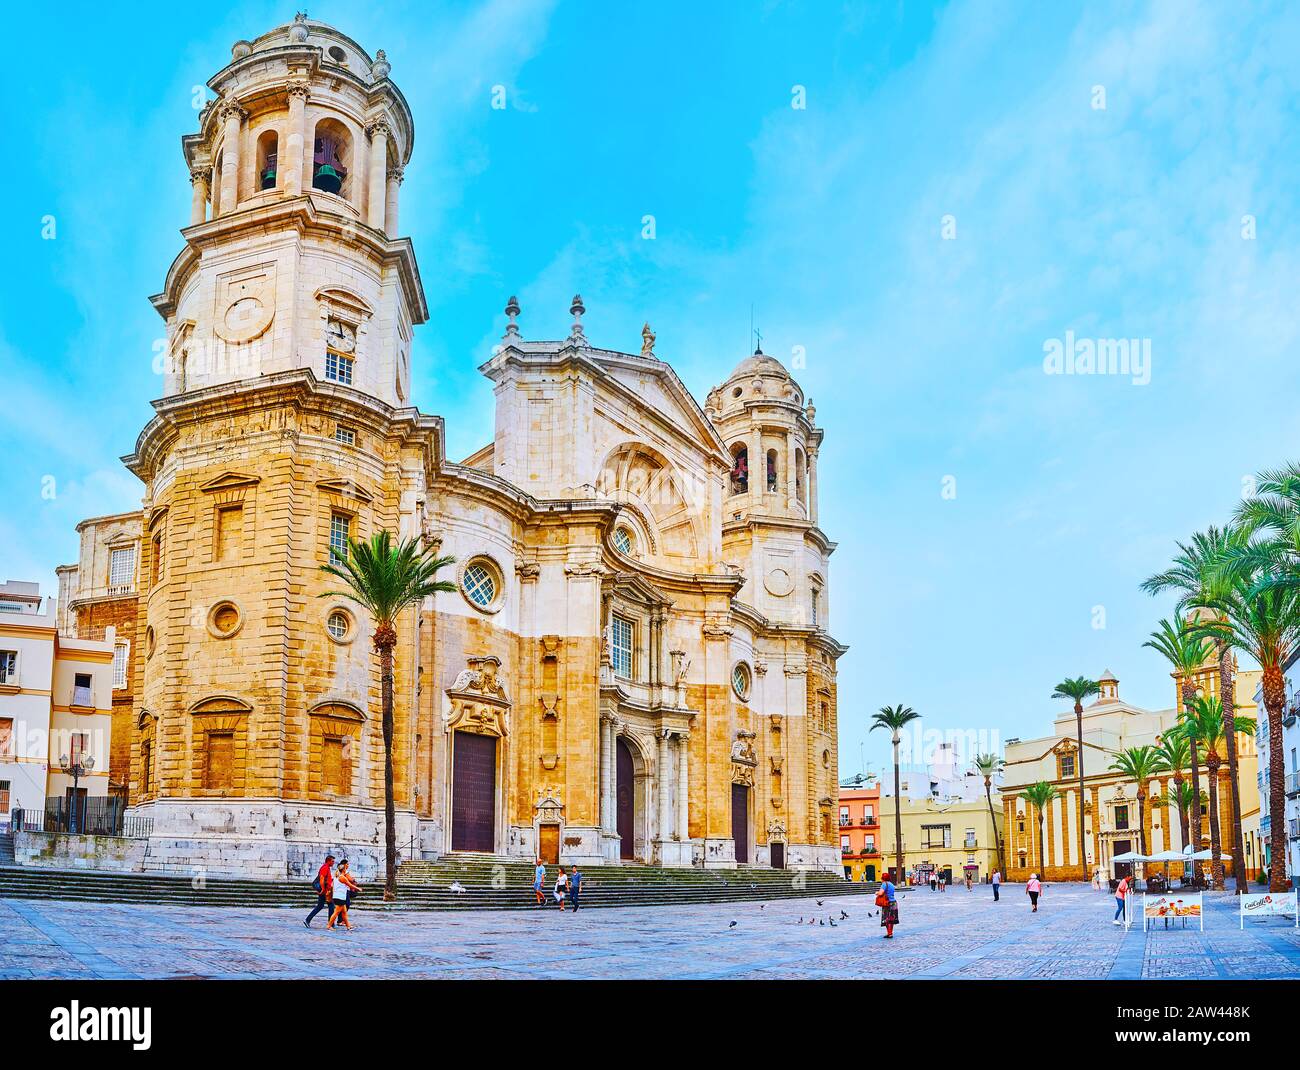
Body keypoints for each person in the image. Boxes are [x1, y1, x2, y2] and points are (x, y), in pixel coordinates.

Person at [328, 859, 361, 932]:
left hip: (339, 896)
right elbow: (350, 884)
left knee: (344, 912)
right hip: (340, 897)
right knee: (336, 912)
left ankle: (348, 926)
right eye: (345, 868)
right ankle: (329, 926)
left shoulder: (337, 875)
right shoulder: (342, 877)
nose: (347, 869)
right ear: (343, 870)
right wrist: (358, 888)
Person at [305, 852, 335, 928]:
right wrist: (322, 889)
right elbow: (321, 879)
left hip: (325, 890)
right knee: (331, 905)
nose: (333, 863)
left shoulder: (326, 867)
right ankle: (331, 923)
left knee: (320, 906)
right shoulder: (325, 867)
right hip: (324, 891)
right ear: (328, 861)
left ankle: (307, 920)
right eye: (332, 861)